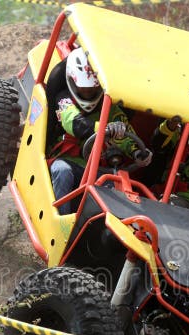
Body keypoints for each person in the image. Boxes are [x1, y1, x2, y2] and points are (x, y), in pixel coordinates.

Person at [50, 47, 152, 215]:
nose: (88, 94)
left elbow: (127, 136)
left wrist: (137, 153)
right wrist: (104, 129)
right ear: (73, 82)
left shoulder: (110, 108)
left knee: (116, 190)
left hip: (97, 169)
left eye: (92, 89)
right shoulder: (64, 99)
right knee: (62, 171)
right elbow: (73, 123)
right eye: (84, 89)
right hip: (68, 161)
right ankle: (61, 220)